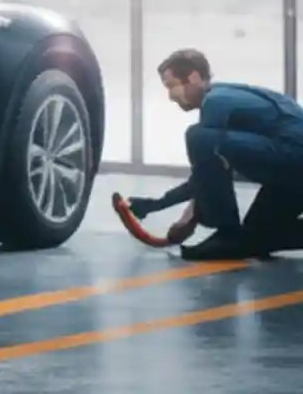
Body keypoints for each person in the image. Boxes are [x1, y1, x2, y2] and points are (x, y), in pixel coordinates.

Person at [126, 49, 303, 260]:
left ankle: (226, 231)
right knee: (252, 237)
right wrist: (154, 205)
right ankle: (233, 237)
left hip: (293, 158)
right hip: (290, 169)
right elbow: (209, 174)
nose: (171, 96)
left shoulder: (215, 102)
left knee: (198, 137)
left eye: (172, 86)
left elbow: (205, 173)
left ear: (193, 77)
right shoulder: (228, 94)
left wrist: (184, 219)